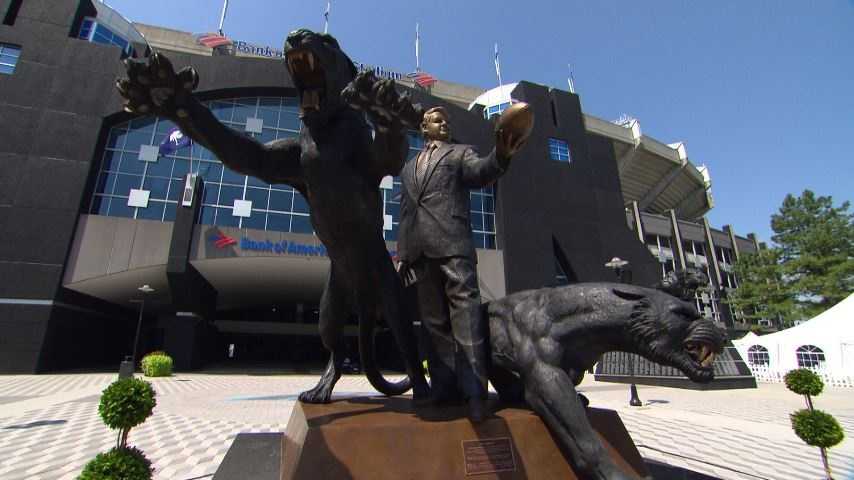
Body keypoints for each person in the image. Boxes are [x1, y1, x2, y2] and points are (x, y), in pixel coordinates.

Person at [397, 106, 526, 421]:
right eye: (437, 120)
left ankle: (475, 395)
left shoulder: (459, 153)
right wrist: (403, 254)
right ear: (424, 127)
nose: (444, 124)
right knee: (433, 325)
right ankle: (445, 388)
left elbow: (482, 171)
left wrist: (502, 156)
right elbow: (405, 213)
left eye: (446, 121)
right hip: (420, 253)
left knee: (466, 321)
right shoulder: (408, 167)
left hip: (453, 246)